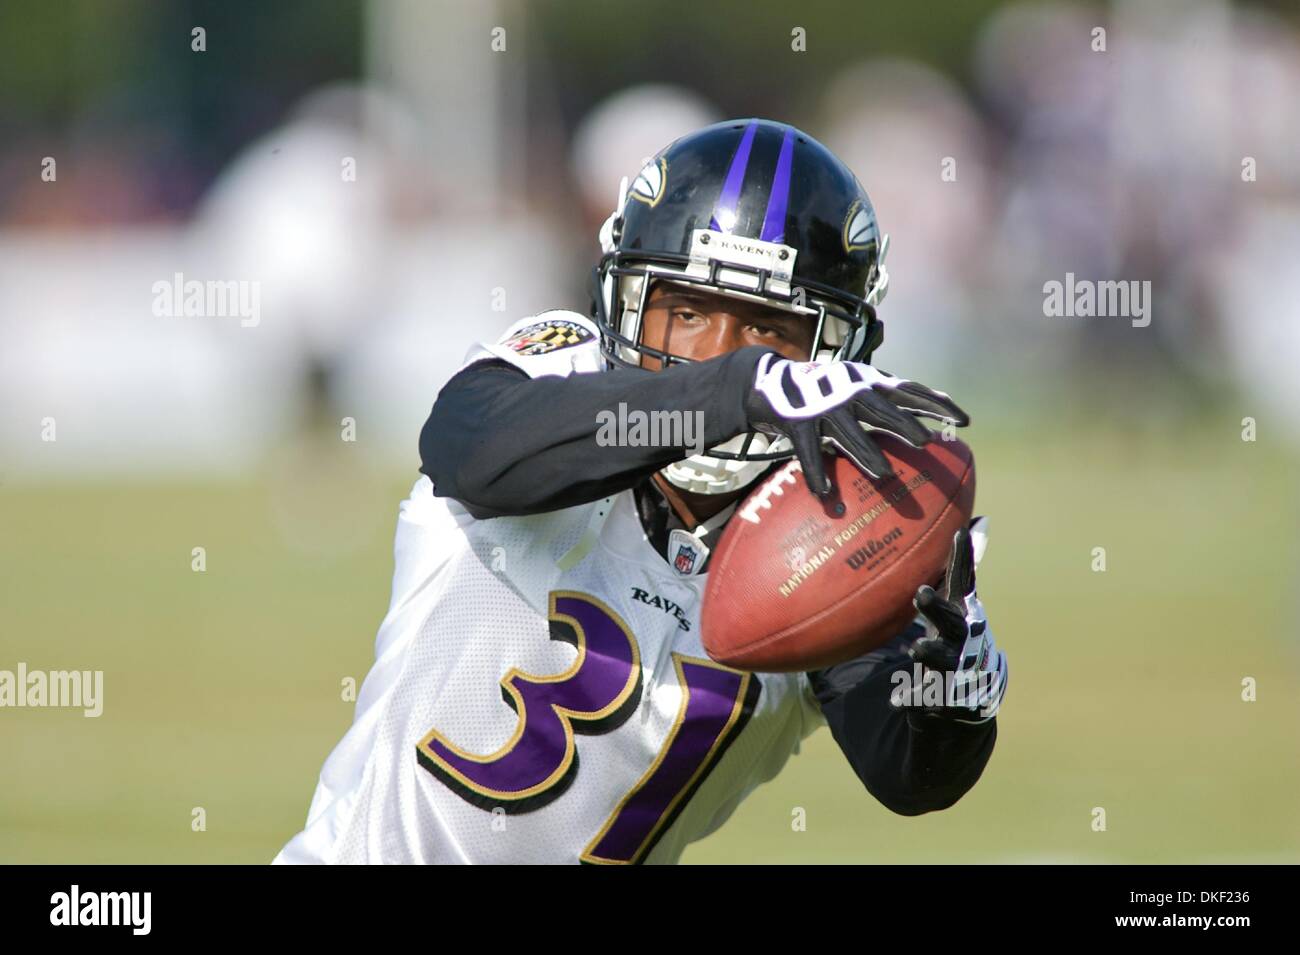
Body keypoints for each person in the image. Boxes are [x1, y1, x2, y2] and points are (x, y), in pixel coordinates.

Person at [275, 119, 1008, 865]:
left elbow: (911, 777)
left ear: (837, 352)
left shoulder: (817, 526)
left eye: (769, 329)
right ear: (625, 296)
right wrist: (737, 390)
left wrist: (948, 681)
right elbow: (471, 449)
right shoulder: (561, 386)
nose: (721, 350)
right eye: (687, 313)